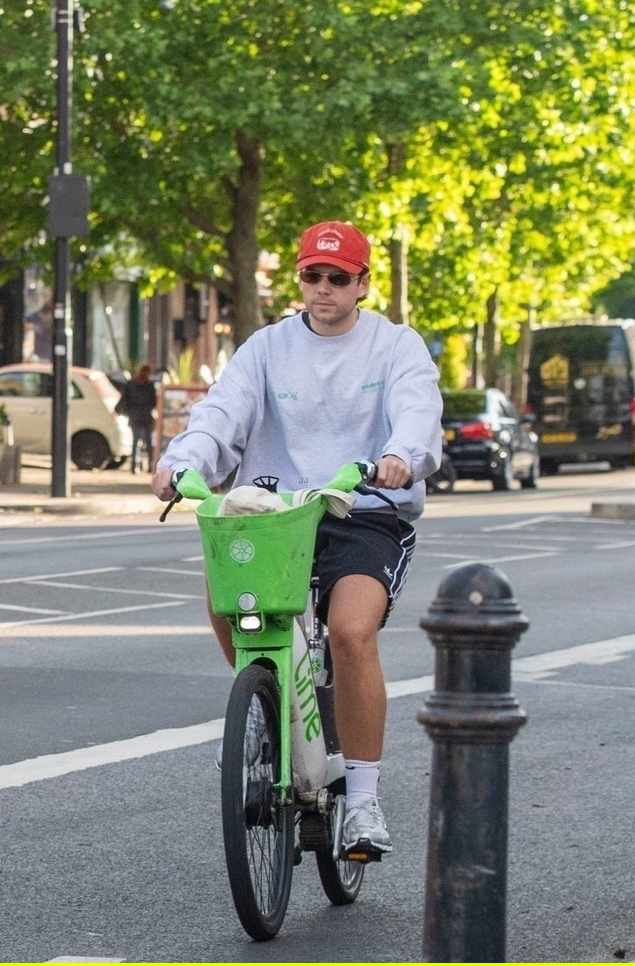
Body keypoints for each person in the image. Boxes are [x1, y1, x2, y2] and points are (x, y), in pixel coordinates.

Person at [152, 221, 442, 857]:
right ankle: (272, 711)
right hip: (275, 511)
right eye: (313, 275)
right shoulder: (266, 347)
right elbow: (221, 414)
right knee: (229, 600)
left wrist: (400, 455)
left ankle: (362, 802)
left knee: (350, 631)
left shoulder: (395, 346)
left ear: (363, 284)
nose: (324, 288)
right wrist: (183, 462)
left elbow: (417, 410)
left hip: (362, 508)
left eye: (339, 278)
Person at [118, 364, 158, 473]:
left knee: (136, 442)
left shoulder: (131, 384)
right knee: (148, 443)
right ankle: (150, 465)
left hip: (134, 416)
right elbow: (154, 402)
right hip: (146, 416)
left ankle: (134, 466)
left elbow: (125, 400)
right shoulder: (149, 385)